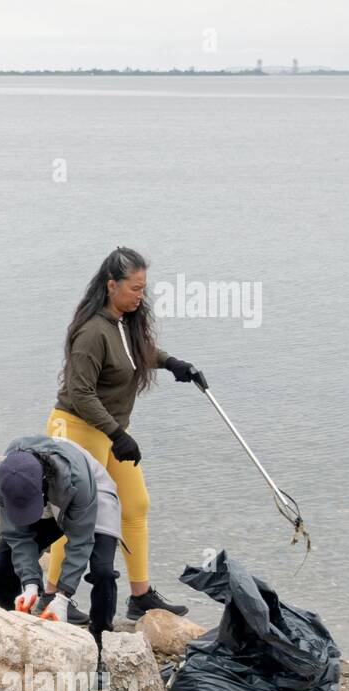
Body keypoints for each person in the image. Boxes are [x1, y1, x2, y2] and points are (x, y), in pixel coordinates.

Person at [46, 246, 206, 621]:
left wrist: (171, 363)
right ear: (111, 285)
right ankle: (53, 596)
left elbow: (135, 353)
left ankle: (140, 596)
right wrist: (118, 434)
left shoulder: (123, 322)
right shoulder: (91, 332)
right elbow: (81, 394)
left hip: (109, 431)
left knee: (135, 505)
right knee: (73, 516)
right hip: (77, 427)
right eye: (134, 288)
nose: (140, 295)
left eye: (143, 288)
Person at [0, 436, 121, 654]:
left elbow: (81, 541)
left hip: (87, 492)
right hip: (44, 499)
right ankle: (19, 630)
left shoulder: (76, 478)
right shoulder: (5, 480)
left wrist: (62, 596)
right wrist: (30, 584)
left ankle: (100, 641)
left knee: (103, 571)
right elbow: (18, 537)